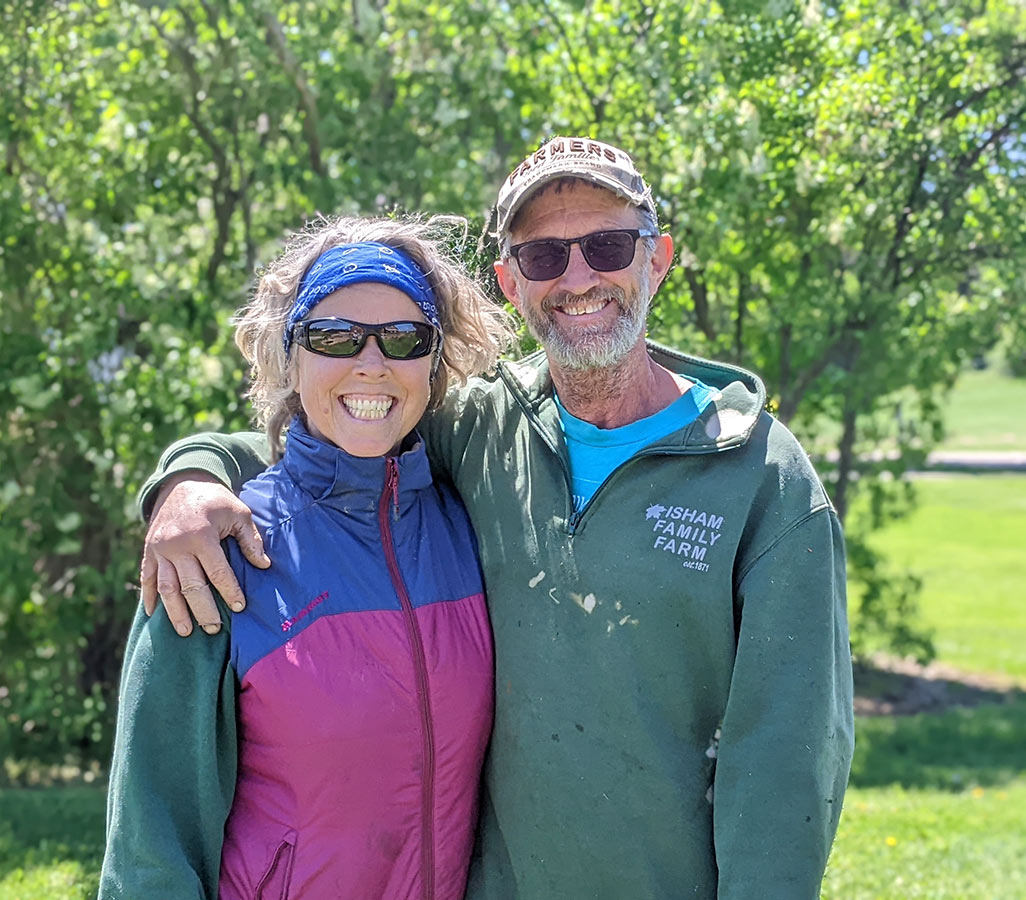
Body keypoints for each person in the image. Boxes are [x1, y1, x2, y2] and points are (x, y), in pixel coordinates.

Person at [136, 137, 855, 900]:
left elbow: (787, 762)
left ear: (659, 258)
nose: (579, 279)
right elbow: (344, 433)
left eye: (608, 245)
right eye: (544, 257)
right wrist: (191, 473)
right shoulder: (481, 428)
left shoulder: (762, 476)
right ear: (511, 282)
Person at [99, 216, 514, 899]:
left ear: (434, 361)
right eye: (334, 337)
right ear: (290, 354)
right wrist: (188, 474)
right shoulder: (213, 550)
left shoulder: (471, 519)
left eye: (405, 338)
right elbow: (150, 841)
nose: (371, 362)